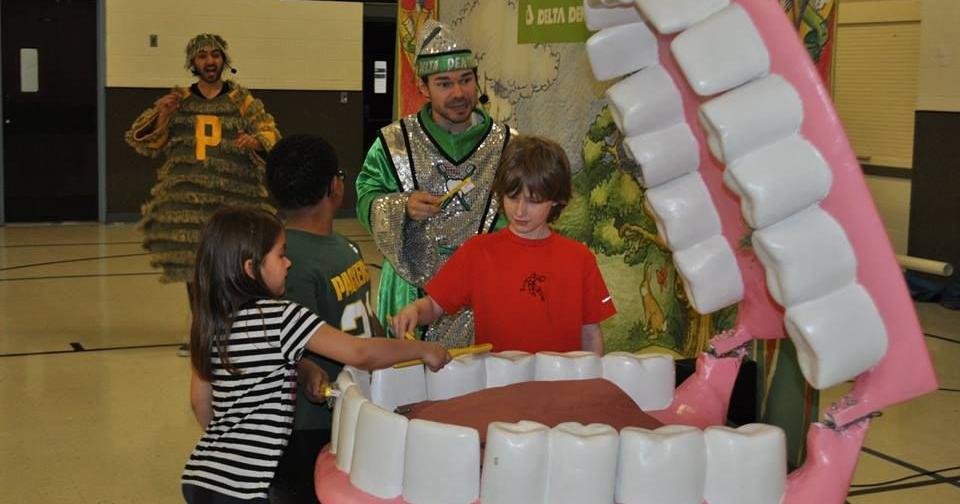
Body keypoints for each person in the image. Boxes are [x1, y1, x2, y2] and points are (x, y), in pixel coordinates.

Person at [181, 207, 450, 504]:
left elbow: (200, 401)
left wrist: (301, 368)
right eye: (280, 255)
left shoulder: (213, 321)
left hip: (203, 476)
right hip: (247, 489)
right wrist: (422, 350)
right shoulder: (281, 317)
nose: (288, 263)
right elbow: (359, 352)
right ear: (250, 268)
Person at [356, 19, 515, 348]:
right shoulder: (393, 143)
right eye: (444, 84)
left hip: (484, 290)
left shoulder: (508, 144)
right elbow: (365, 198)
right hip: (410, 287)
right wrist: (402, 206)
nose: (458, 93)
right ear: (423, 87)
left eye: (466, 80)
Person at [125, 33, 280, 356]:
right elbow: (147, 141)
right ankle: (201, 329)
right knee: (194, 269)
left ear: (224, 60)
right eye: (202, 56)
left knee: (234, 266)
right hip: (189, 204)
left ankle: (235, 327)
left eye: (215, 55)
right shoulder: (179, 101)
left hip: (234, 199)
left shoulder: (242, 101)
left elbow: (270, 132)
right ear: (192, 63)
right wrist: (163, 113)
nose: (210, 61)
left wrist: (256, 141)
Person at [391, 136, 616, 354]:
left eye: (533, 201)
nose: (520, 211)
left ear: (557, 199)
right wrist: (414, 311)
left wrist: (593, 376)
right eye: (512, 197)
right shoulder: (477, 252)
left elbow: (590, 334)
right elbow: (434, 306)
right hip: (498, 377)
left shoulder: (579, 258)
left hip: (562, 378)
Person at [264, 134, 383, 503]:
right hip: (308, 426)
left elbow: (366, 318)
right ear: (335, 185)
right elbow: (281, 342)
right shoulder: (289, 262)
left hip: (350, 410)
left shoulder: (345, 246)